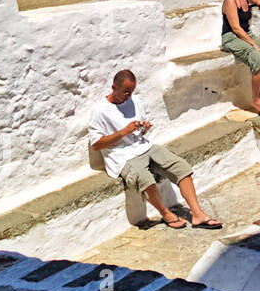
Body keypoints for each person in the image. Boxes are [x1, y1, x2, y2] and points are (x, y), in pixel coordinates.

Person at [88, 70, 222, 230]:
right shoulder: (100, 111)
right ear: (113, 87)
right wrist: (123, 132)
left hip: (144, 147)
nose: (128, 96)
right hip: (122, 156)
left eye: (131, 92)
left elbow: (138, 131)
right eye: (125, 92)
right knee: (145, 179)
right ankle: (165, 213)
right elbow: (96, 144)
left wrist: (144, 128)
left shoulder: (134, 101)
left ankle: (198, 214)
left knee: (181, 167)